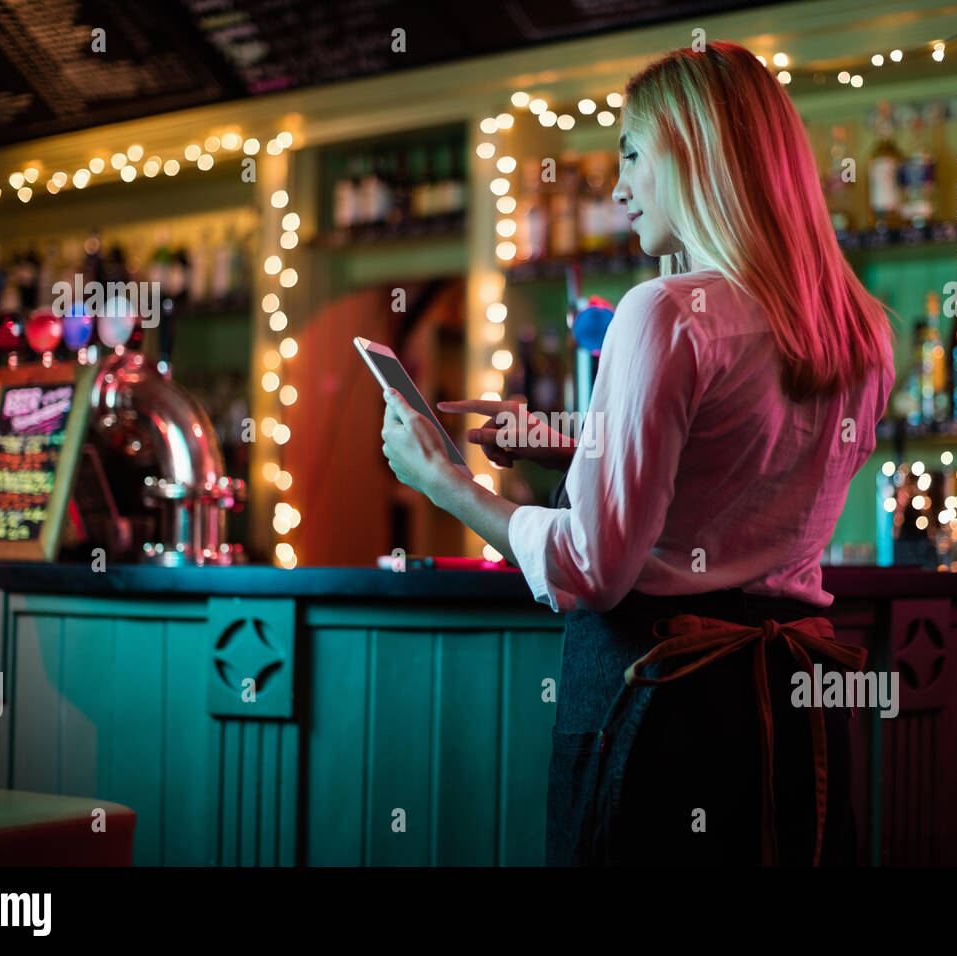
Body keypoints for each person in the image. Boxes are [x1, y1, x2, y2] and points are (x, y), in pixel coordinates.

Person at [379, 40, 895, 866]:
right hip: (794, 714)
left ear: (697, 155)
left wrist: (443, 483)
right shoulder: (859, 328)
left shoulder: (663, 311)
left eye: (630, 155)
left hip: (662, 708)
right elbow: (742, 461)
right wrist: (567, 444)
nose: (616, 188)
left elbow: (593, 566)